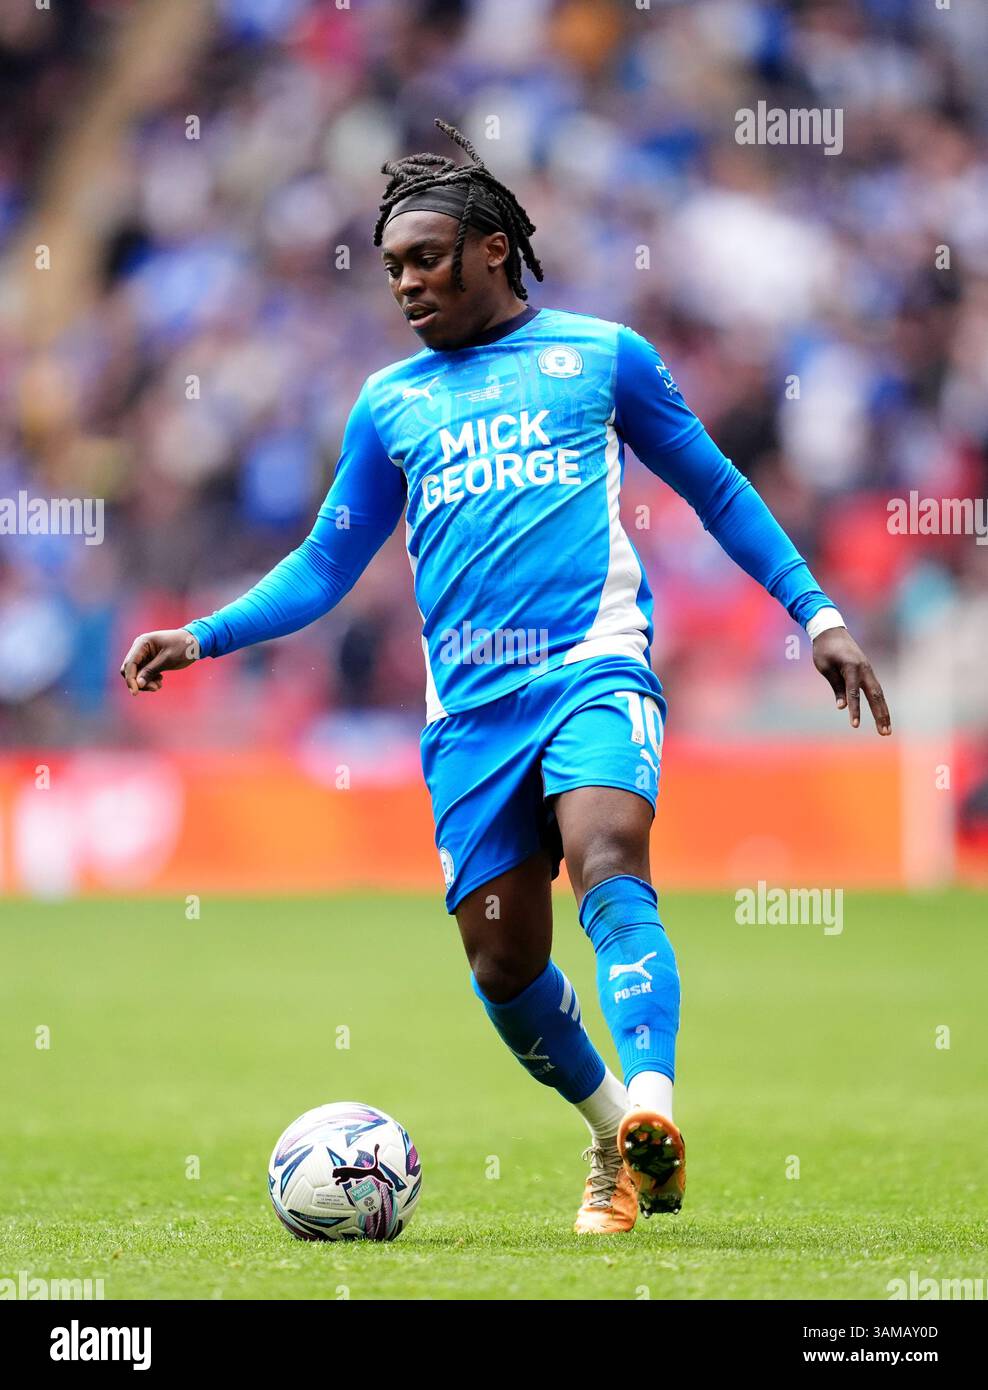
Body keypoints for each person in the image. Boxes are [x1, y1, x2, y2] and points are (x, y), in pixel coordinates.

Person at [120, 119, 892, 1235]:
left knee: (608, 854)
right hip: (470, 717)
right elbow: (327, 562)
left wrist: (815, 613)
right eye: (390, 267)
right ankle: (611, 1127)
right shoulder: (389, 405)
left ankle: (655, 1117)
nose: (405, 283)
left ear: (493, 248)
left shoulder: (601, 357)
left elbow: (719, 490)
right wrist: (206, 635)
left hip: (591, 668)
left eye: (424, 258)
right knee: (502, 959)